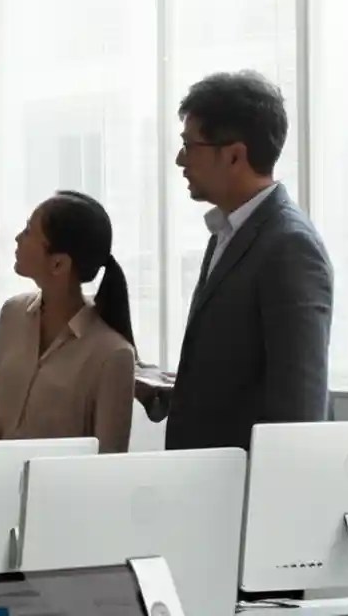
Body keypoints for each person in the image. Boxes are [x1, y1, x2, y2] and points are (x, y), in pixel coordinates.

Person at [137, 70, 333, 453]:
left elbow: (299, 409)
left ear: (234, 155)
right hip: (210, 487)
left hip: (249, 499)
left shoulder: (290, 246)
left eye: (189, 145)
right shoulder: (229, 232)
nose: (180, 159)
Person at [0, 191, 136, 453]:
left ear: (58, 263)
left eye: (28, 232)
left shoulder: (112, 353)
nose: (17, 238)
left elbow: (108, 460)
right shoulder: (12, 314)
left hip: (62, 492)